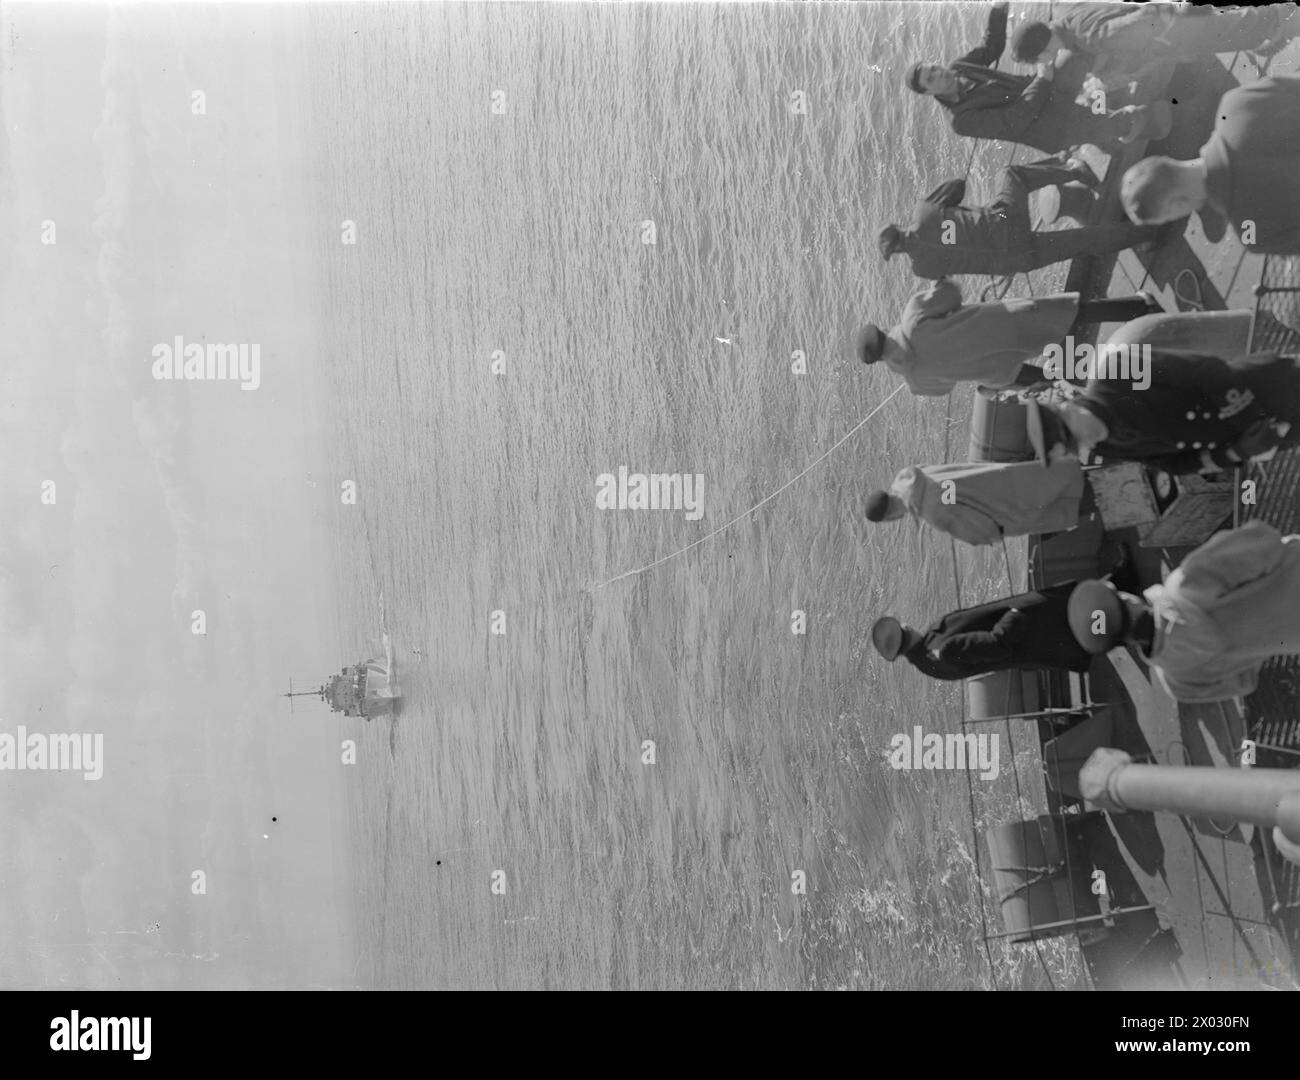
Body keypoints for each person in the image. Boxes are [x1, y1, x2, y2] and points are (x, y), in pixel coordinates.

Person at [1067, 521, 1300, 703]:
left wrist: (1262, 640)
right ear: (1126, 598)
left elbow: (1244, 684)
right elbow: (1265, 542)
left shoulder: (1178, 681)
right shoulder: (1186, 581)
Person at [905, 1, 1169, 154]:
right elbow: (1014, 120)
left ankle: (1137, 62)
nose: (939, 72)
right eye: (931, 78)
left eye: (934, 67)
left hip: (1046, 89)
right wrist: (1042, 79)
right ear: (929, 93)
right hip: (1047, 127)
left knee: (1077, 53)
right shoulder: (961, 121)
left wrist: (999, 7)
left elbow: (993, 45)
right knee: (1125, 122)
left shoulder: (959, 67)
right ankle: (1136, 125)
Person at [855, 278, 1160, 396]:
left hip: (999, 371)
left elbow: (944, 388)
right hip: (1004, 325)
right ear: (883, 330)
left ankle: (1138, 380)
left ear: (880, 360)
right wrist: (940, 281)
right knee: (1074, 311)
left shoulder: (914, 383)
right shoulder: (912, 316)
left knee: (1063, 377)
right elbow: (952, 294)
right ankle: (1141, 306)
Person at [880, 155, 1161, 279]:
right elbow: (957, 186)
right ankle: (1075, 170)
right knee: (1012, 175)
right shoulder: (923, 211)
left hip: (1014, 260)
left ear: (897, 254)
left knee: (1084, 242)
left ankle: (1147, 236)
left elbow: (947, 267)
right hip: (1005, 222)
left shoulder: (922, 270)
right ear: (898, 226)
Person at [1030, 350, 1300, 476]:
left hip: (1273, 389)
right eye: (1076, 449)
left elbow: (1207, 367)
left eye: (1076, 439)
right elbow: (1176, 465)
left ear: (1067, 409)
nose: (1086, 446)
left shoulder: (1117, 370)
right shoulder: (1108, 445)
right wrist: (1238, 452)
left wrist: (1253, 423)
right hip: (1270, 435)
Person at [1121, 74, 1300, 254]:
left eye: (1170, 217)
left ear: (1177, 204)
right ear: (1167, 162)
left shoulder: (1257, 235)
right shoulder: (1235, 102)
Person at [1012, 4, 1298, 91]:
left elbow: (1139, 33)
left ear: (1043, 51)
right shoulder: (1068, 19)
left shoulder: (1092, 38)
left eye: (1037, 58)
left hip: (1178, 33)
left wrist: (1110, 79)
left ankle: (1288, 20)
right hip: (1175, 19)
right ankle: (1276, 26)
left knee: (1247, 28)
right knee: (1241, 24)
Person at [872, 580, 1096, 681]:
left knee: (1089, 610)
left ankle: (1121, 581)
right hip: (1039, 630)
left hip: (1042, 641)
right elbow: (998, 645)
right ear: (906, 629)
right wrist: (1017, 611)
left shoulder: (927, 661)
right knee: (1090, 609)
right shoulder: (943, 649)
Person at [864, 459, 1085, 547]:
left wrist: (987, 538)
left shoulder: (931, 512)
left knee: (1071, 504)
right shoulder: (915, 475)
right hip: (1002, 477)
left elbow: (976, 525)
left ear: (889, 517)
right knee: (1061, 477)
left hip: (1007, 505)